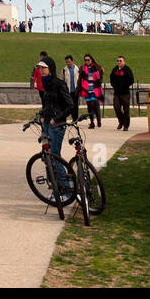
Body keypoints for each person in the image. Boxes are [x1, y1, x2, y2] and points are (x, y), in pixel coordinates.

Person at [37, 61, 75, 196]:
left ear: (50, 69)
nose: (40, 70)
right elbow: (49, 104)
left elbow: (70, 105)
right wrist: (42, 115)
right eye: (39, 68)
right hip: (47, 124)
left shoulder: (59, 84)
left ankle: (66, 189)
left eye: (43, 68)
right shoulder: (45, 84)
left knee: (54, 156)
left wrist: (56, 118)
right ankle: (56, 188)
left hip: (56, 125)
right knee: (47, 157)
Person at [79, 53, 104, 128]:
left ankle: (98, 120)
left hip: (95, 89)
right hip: (87, 90)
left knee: (93, 104)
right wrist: (79, 88)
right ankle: (92, 122)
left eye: (88, 60)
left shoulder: (97, 67)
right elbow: (80, 79)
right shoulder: (83, 68)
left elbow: (100, 77)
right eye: (85, 60)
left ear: (91, 59)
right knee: (89, 106)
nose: (87, 61)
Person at [110, 55, 134, 130]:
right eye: (118, 61)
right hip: (117, 93)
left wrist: (124, 86)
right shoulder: (115, 69)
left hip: (125, 94)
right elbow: (111, 78)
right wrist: (114, 85)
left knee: (126, 110)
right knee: (116, 108)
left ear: (124, 62)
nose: (119, 62)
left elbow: (131, 80)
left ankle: (126, 125)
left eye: (120, 61)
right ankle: (121, 121)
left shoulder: (127, 70)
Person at [61, 54, 80, 119]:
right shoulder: (64, 70)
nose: (67, 63)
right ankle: (71, 118)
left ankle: (75, 119)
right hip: (67, 92)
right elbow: (61, 80)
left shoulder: (77, 69)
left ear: (72, 61)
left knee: (75, 106)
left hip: (75, 91)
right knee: (69, 106)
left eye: (69, 61)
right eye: (66, 62)